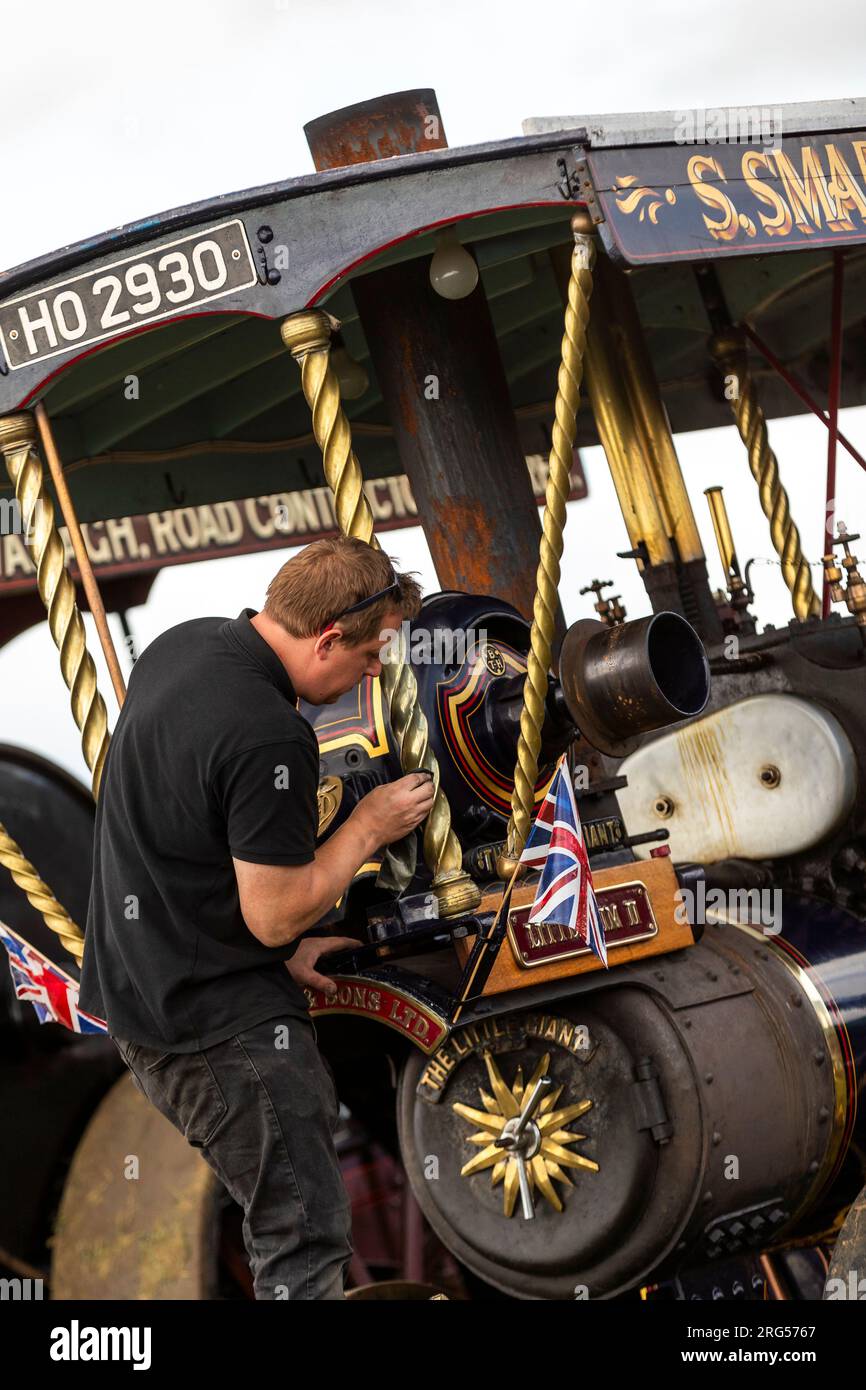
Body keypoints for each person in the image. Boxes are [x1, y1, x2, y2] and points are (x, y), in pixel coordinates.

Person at [78, 535, 435, 1300]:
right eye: (370, 655)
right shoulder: (272, 733)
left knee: (291, 1230)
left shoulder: (184, 646)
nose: (375, 672)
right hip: (219, 1032)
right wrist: (366, 826)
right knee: (301, 1242)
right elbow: (273, 915)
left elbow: (184, 840)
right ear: (329, 635)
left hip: (147, 997)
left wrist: (281, 953)